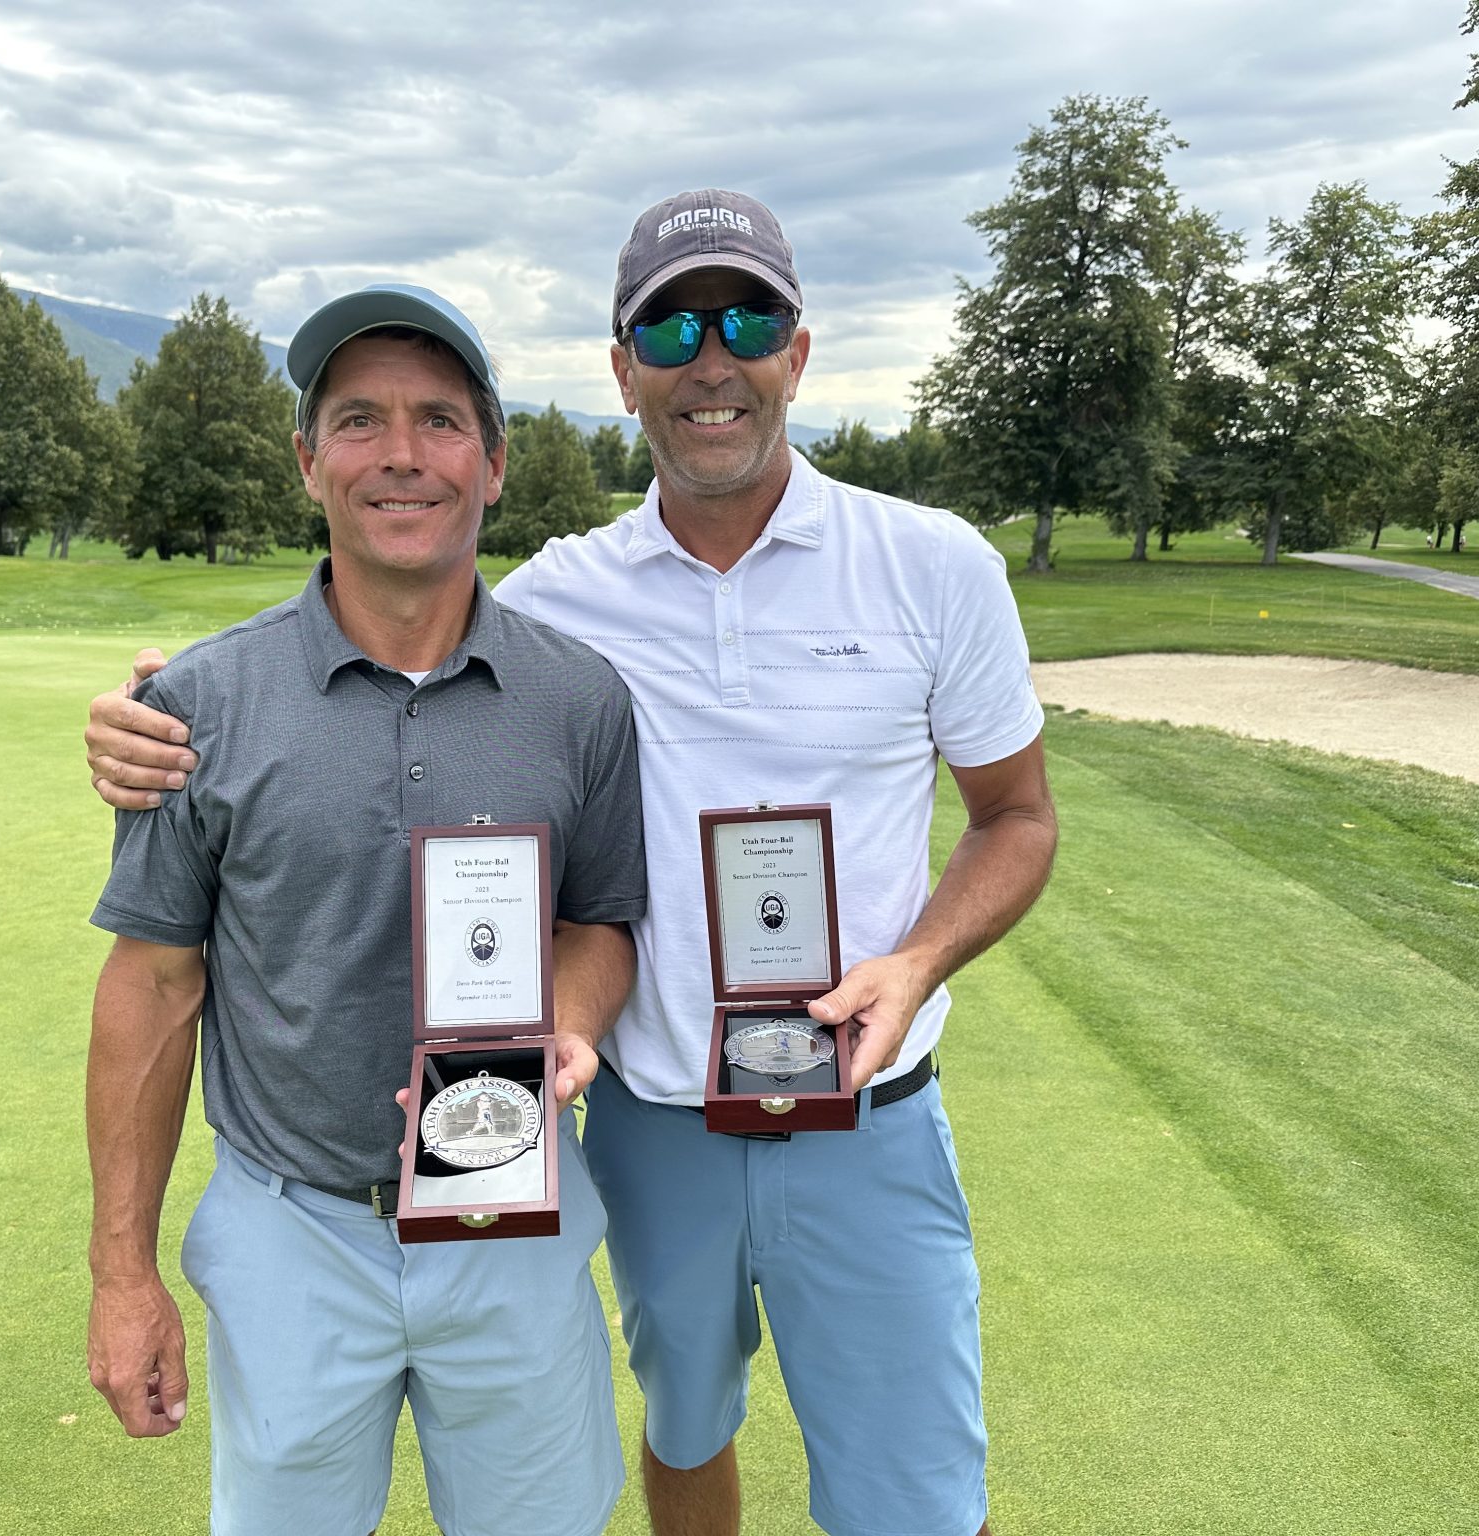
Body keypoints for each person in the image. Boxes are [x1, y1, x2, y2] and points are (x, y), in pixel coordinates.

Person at [86, 192, 1057, 1536]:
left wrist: (915, 960)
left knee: (917, 1498)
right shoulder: (561, 597)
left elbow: (1018, 819)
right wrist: (161, 708)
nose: (710, 357)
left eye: (745, 318)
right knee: (683, 1426)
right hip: (651, 1127)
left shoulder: (932, 567)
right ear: (621, 371)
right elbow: (386, 616)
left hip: (866, 1116)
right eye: (670, 325)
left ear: (799, 348)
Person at [84, 283, 646, 1536]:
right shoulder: (194, 705)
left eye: (440, 421)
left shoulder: (579, 700)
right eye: (359, 420)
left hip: (513, 1220)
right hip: (295, 1229)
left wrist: (570, 1022)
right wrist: (120, 1271)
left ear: (494, 464)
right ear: (306, 459)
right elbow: (154, 988)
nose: (401, 455)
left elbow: (601, 921)